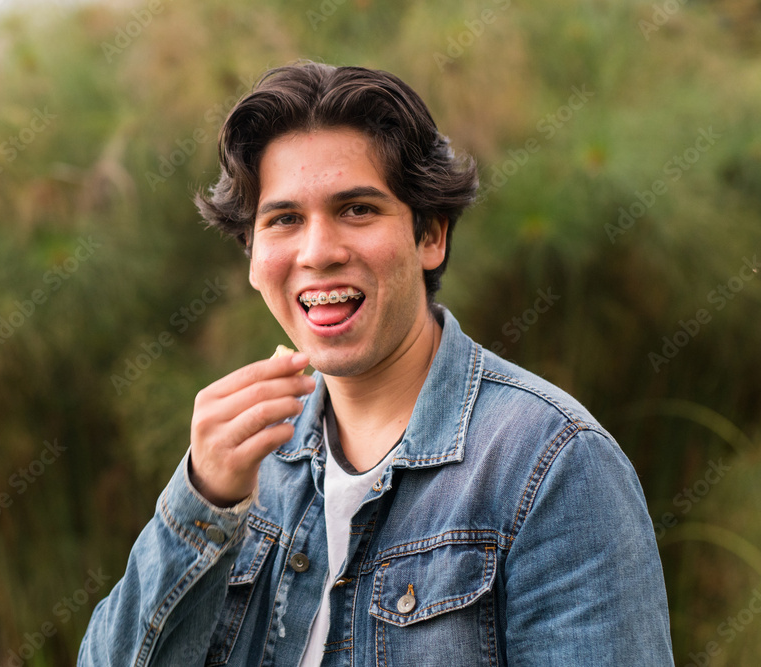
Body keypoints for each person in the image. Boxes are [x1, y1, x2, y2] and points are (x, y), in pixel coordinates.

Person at [78, 62, 673, 666]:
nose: (318, 252)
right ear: (253, 257)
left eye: (357, 209)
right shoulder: (250, 467)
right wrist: (201, 502)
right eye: (284, 219)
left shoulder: (552, 464)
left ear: (431, 235)